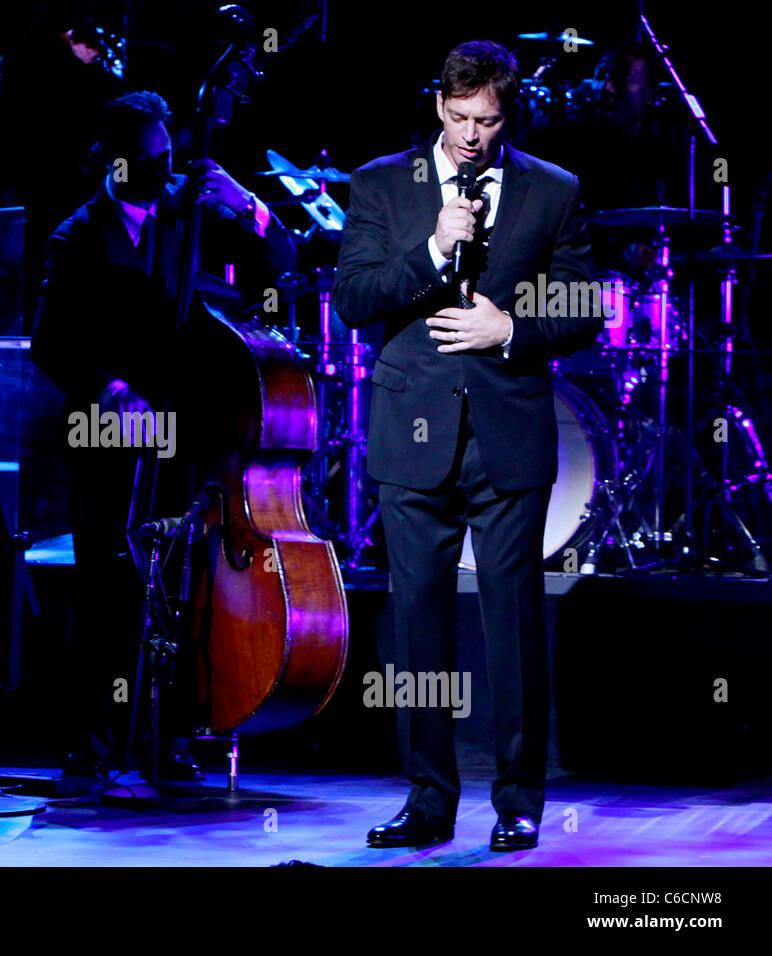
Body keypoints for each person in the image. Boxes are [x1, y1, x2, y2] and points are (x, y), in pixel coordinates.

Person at [333, 41, 599, 850]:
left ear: (506, 112)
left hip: (507, 437)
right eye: (457, 119)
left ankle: (518, 800)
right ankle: (428, 801)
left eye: (485, 120)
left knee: (514, 625)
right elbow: (353, 298)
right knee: (418, 625)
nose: (471, 135)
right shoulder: (383, 183)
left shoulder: (552, 192)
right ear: (438, 106)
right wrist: (429, 253)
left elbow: (584, 308)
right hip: (413, 436)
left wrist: (510, 328)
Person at [31, 90, 295, 780]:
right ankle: (90, 739)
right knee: (106, 585)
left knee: (183, 583)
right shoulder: (78, 236)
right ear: (110, 162)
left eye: (168, 160)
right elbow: (50, 343)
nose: (163, 175)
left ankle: (172, 736)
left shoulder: (195, 211)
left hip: (190, 432)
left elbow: (283, 260)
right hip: (108, 433)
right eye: (147, 164)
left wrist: (244, 203)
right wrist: (115, 391)